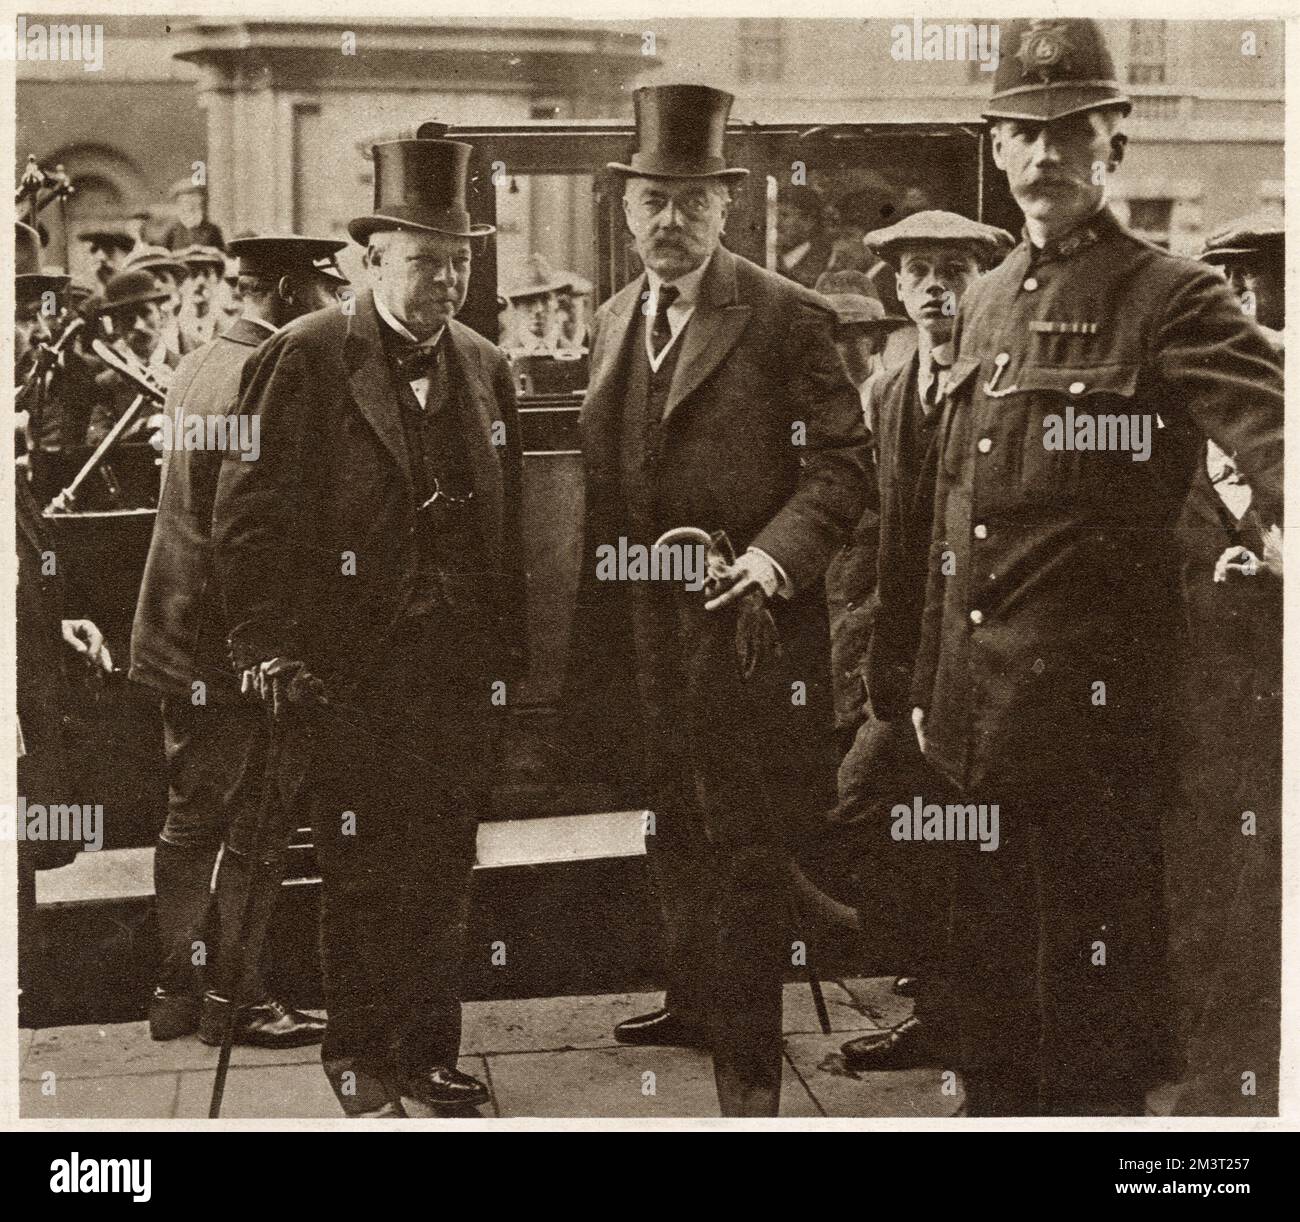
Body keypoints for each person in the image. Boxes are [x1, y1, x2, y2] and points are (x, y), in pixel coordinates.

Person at [907, 18, 1283, 1116]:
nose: (1044, 155)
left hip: (1089, 744)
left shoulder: (1170, 295)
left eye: (1072, 129)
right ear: (995, 148)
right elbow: (951, 518)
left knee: (1090, 1040)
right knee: (988, 1032)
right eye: (1021, 132)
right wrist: (926, 692)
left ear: (1115, 141)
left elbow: (1278, 441)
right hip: (971, 738)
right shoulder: (982, 298)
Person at [212, 130, 526, 1118]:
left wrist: (505, 665)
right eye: (425, 257)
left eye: (460, 258)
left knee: (443, 867)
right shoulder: (304, 360)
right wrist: (266, 648)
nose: (445, 278)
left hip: (456, 672)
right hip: (348, 673)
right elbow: (246, 521)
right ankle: (357, 1059)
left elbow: (507, 529)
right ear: (373, 257)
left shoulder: (485, 366)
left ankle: (429, 1052)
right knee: (359, 871)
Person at [568, 83, 868, 1116]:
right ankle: (693, 998)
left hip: (750, 635)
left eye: (693, 200)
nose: (670, 218)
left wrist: (772, 561)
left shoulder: (787, 317)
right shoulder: (615, 319)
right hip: (648, 630)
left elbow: (841, 469)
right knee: (672, 820)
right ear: (625, 204)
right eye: (652, 197)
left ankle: (748, 1065)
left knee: (745, 843)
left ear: (726, 209)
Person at [130, 235, 350, 1050]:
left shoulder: (196, 362)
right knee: (258, 829)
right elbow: (249, 528)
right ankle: (243, 1000)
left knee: (189, 818)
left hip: (176, 632)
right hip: (236, 644)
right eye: (325, 290)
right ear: (291, 291)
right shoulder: (274, 370)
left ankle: (173, 993)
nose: (334, 305)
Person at [830, 211, 1011, 1075]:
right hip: (904, 660)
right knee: (871, 811)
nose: (936, 286)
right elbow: (876, 530)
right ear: (896, 291)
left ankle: (966, 1021)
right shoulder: (891, 389)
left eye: (955, 270)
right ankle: (942, 998)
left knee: (975, 845)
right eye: (919, 272)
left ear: (988, 284)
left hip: (983, 668)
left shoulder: (1007, 391)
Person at [1164, 218, 1284, 1115]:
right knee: (1195, 892)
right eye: (1230, 288)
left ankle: (1238, 1092)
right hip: (1185, 712)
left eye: (1263, 285)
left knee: (1261, 906)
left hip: (1275, 714)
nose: (1245, 308)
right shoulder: (1169, 438)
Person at [84, 269, 178, 446]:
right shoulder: (107, 383)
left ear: (162, 316)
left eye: (145, 313)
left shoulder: (190, 368)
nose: (139, 326)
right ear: (117, 327)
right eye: (128, 318)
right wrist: (144, 426)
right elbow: (96, 440)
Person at [176, 245, 227, 351]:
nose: (200, 282)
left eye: (207, 274)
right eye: (193, 274)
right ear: (181, 284)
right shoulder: (173, 332)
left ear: (217, 281)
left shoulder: (229, 328)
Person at [165, 180, 225, 251]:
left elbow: (223, 255)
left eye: (193, 200)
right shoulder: (172, 231)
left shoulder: (212, 230)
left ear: (200, 203)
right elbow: (164, 256)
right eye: (184, 202)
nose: (189, 206)